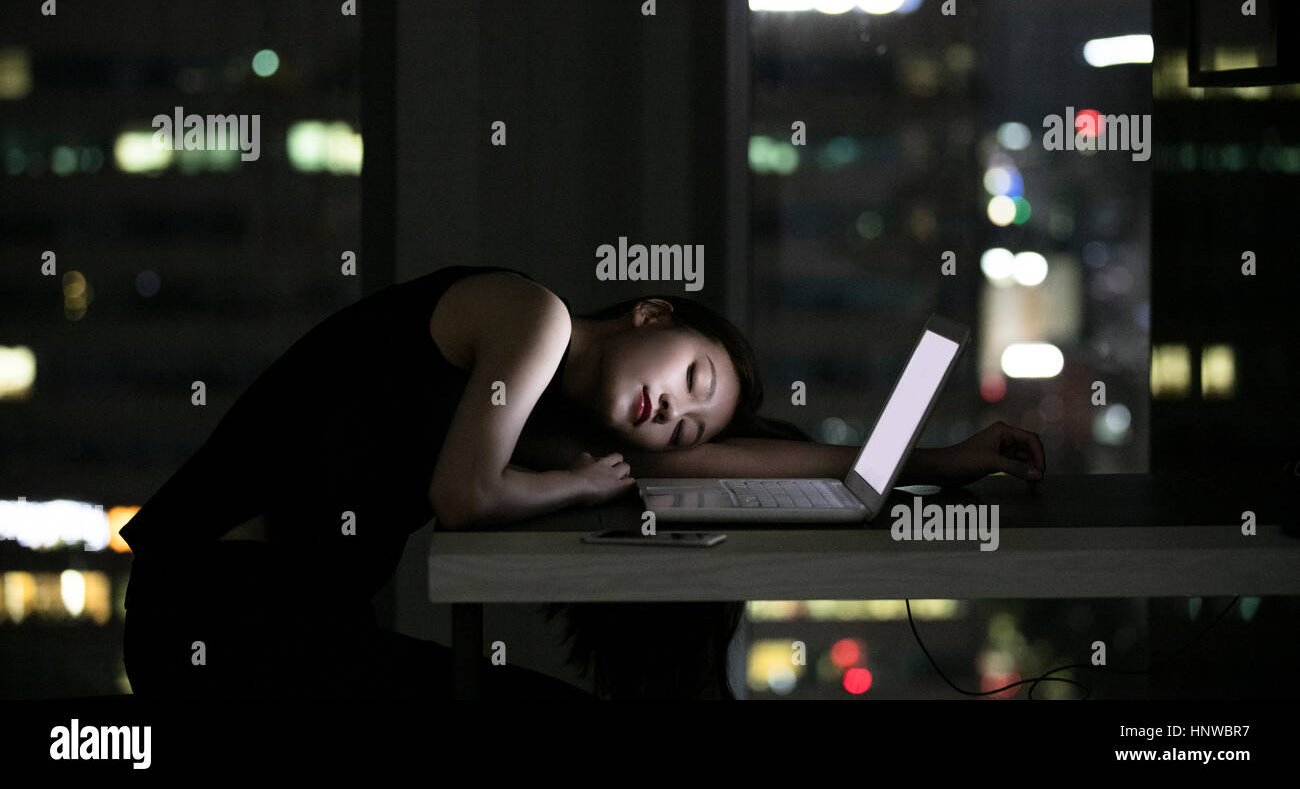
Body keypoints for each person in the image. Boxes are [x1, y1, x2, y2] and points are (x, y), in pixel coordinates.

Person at [120, 265, 1045, 699]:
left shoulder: (557, 413)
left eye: (690, 423)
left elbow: (766, 460)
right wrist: (570, 485)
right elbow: (465, 498)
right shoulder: (530, 314)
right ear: (651, 310)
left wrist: (937, 460)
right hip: (217, 620)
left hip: (292, 629)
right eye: (693, 378)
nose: (677, 415)